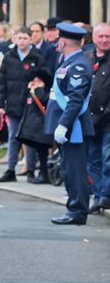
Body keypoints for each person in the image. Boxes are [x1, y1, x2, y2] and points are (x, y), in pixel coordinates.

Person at [45, 23, 95, 225]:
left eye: (59, 40)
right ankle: (73, 207)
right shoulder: (69, 62)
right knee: (68, 169)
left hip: (74, 127)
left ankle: (77, 211)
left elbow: (75, 99)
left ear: (63, 41)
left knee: (75, 170)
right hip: (68, 126)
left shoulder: (78, 66)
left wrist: (63, 125)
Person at [0, 27, 44, 183]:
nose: (22, 41)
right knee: (13, 137)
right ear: (15, 39)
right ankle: (11, 169)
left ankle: (30, 169)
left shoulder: (36, 57)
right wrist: (0, 103)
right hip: (13, 102)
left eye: (25, 38)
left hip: (31, 104)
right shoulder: (9, 57)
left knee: (28, 138)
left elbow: (43, 79)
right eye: (19, 38)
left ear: (30, 39)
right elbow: (2, 82)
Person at [87, 23, 110, 213]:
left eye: (108, 37)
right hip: (89, 119)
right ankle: (98, 194)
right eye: (101, 36)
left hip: (108, 120)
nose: (104, 40)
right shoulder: (86, 58)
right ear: (94, 38)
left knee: (107, 157)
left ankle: (105, 195)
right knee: (92, 160)